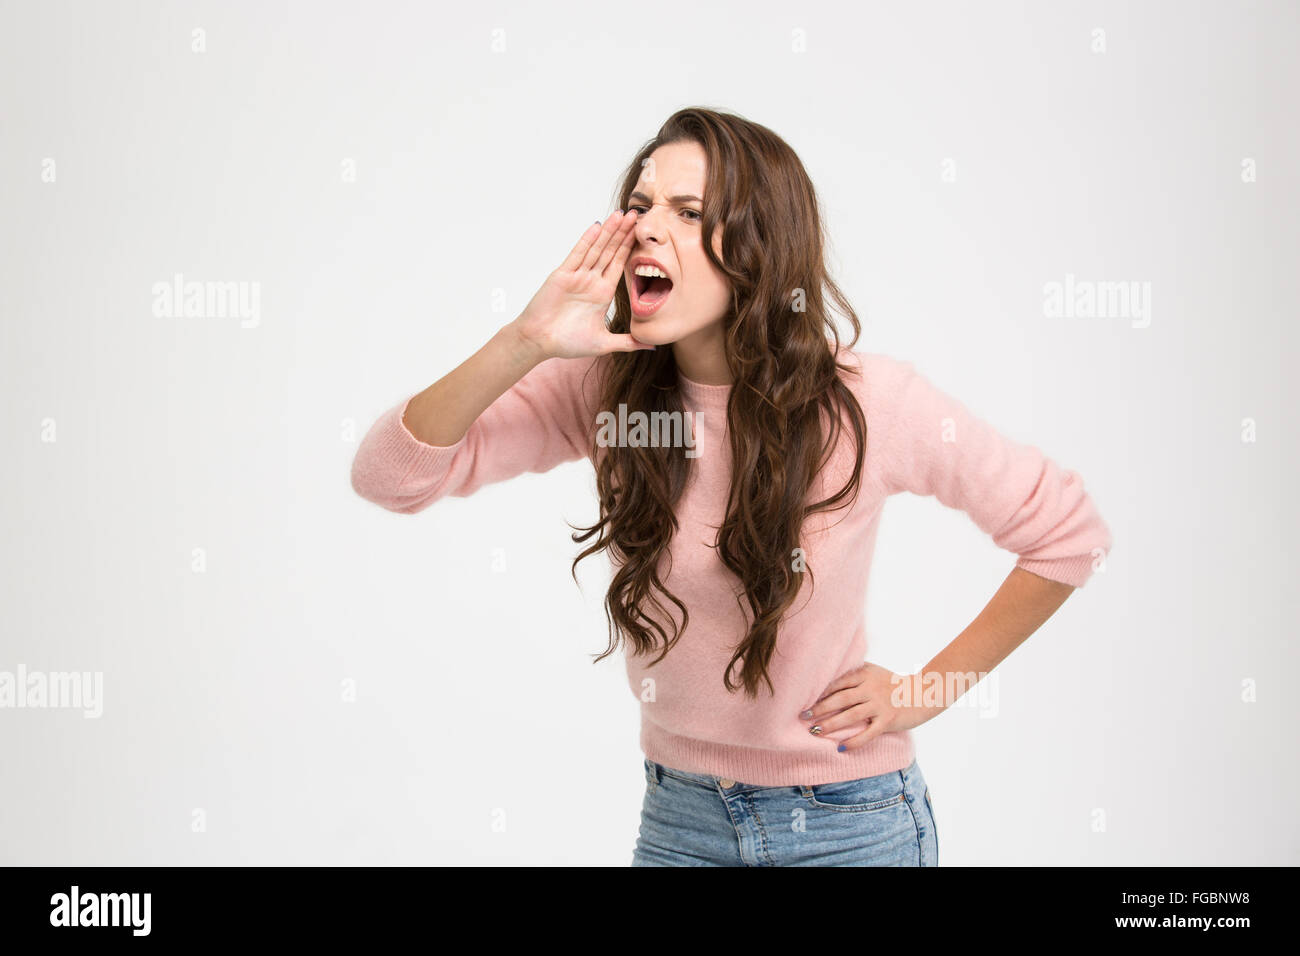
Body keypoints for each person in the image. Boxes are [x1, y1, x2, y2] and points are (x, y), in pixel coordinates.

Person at [350, 107, 1113, 866]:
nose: (649, 227)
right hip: (681, 816)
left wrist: (928, 691)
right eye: (641, 205)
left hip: (849, 821)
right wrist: (523, 341)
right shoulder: (606, 393)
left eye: (689, 212)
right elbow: (391, 478)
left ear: (758, 249)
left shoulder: (867, 404)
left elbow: (1068, 537)